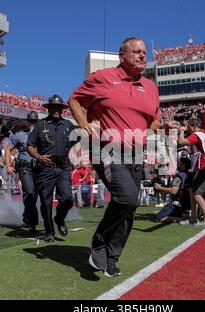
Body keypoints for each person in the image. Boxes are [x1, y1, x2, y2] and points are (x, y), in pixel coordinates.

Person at [69, 37, 176, 277]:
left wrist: (164, 127)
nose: (142, 56)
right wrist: (84, 124)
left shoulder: (151, 87)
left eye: (144, 52)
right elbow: (74, 99)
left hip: (137, 154)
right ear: (122, 56)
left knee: (130, 208)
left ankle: (111, 256)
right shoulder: (102, 78)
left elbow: (153, 123)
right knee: (127, 199)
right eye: (136, 52)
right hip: (107, 150)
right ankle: (99, 241)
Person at [27, 95, 77, 242]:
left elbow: (76, 140)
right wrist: (38, 157)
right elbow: (29, 145)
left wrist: (66, 153)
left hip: (63, 168)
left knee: (68, 198)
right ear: (48, 109)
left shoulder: (69, 125)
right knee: (46, 202)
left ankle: (59, 219)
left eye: (59, 108)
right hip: (46, 169)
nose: (56, 110)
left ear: (62, 109)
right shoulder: (39, 126)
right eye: (53, 107)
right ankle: (49, 231)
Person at [178, 118, 205, 226]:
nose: (189, 129)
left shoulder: (197, 135)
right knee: (192, 190)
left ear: (194, 126)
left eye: (190, 127)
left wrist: (181, 130)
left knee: (196, 193)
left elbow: (181, 142)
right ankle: (193, 218)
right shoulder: (204, 134)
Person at [5, 112, 39, 234]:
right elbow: (8, 149)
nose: (33, 124)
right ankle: (32, 223)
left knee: (34, 195)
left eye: (35, 122)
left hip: (38, 168)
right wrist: (8, 166)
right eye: (31, 121)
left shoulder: (41, 136)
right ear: (27, 122)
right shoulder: (19, 136)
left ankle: (27, 215)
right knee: (29, 191)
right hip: (24, 167)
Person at [153, 156, 192, 223]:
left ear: (183, 165)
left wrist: (160, 188)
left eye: (179, 163)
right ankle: (184, 214)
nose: (177, 164)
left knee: (158, 218)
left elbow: (174, 191)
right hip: (188, 204)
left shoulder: (180, 175)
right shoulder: (190, 174)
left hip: (178, 204)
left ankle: (183, 218)